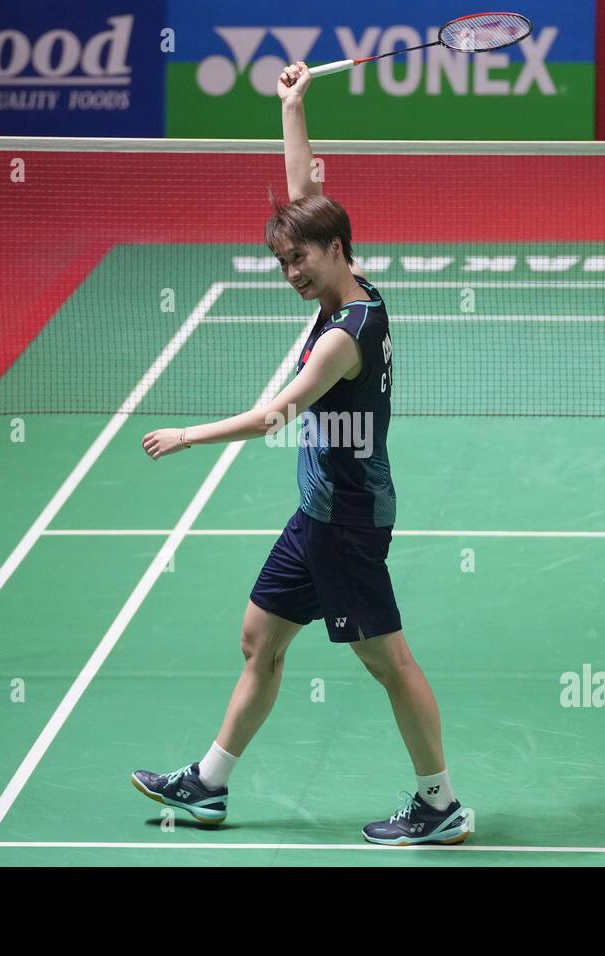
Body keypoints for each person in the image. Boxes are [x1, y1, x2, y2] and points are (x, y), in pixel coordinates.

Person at [132, 61, 468, 846]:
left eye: (299, 262)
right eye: (283, 263)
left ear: (337, 251)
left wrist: (187, 435)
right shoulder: (353, 286)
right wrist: (294, 107)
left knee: (390, 664)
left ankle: (440, 803)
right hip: (318, 511)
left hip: (348, 519)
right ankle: (209, 786)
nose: (291, 274)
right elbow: (300, 201)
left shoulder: (344, 342)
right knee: (261, 637)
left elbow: (271, 417)